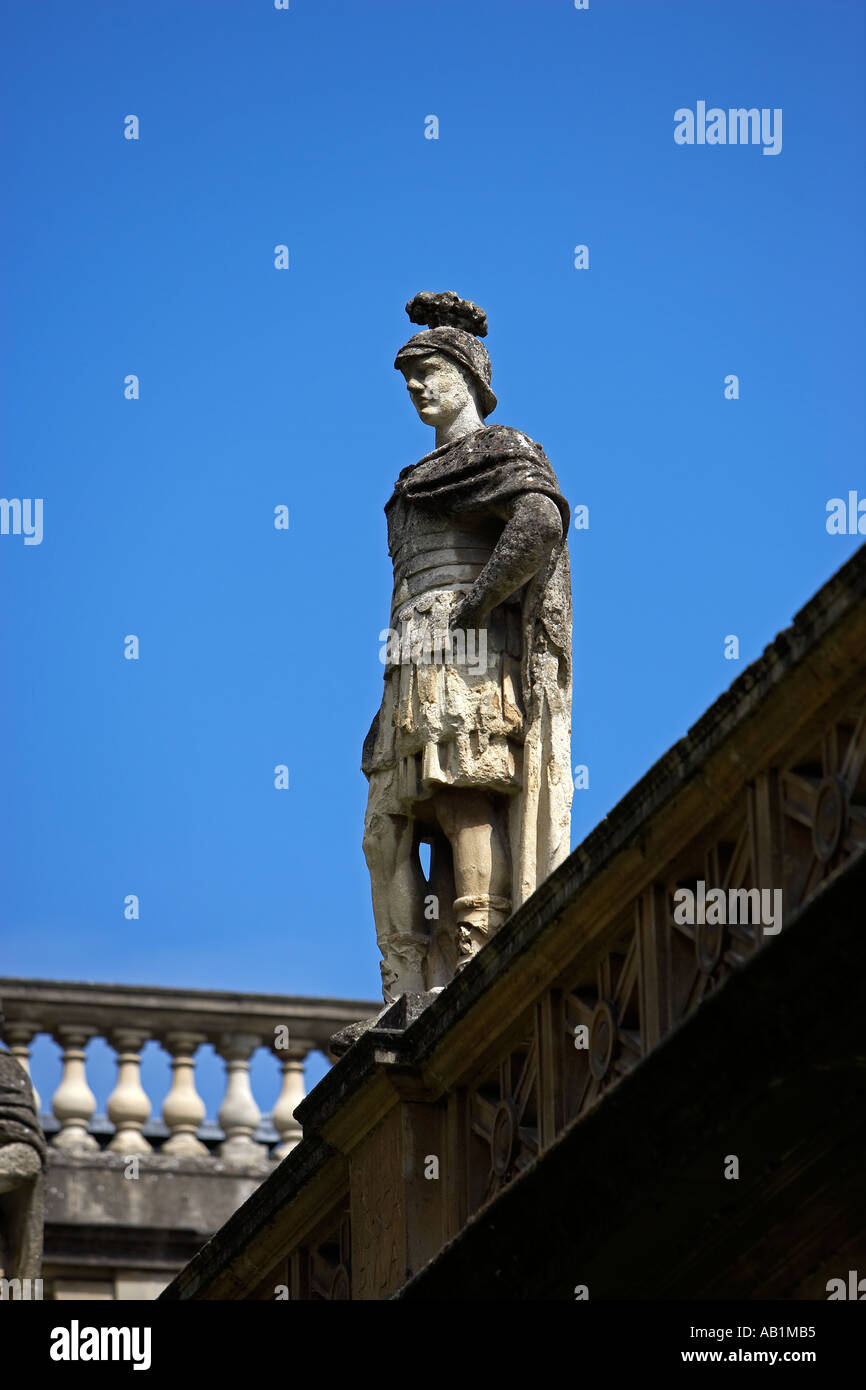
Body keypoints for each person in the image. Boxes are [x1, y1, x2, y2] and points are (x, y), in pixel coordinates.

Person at [362, 292, 572, 1002]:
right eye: (408, 377)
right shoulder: (412, 477)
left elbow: (539, 521)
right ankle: (410, 990)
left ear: (469, 377)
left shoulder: (501, 449)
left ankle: (479, 963)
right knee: (385, 830)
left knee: (462, 798)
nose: (418, 387)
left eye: (430, 372)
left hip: (468, 656)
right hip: (408, 657)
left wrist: (478, 601)